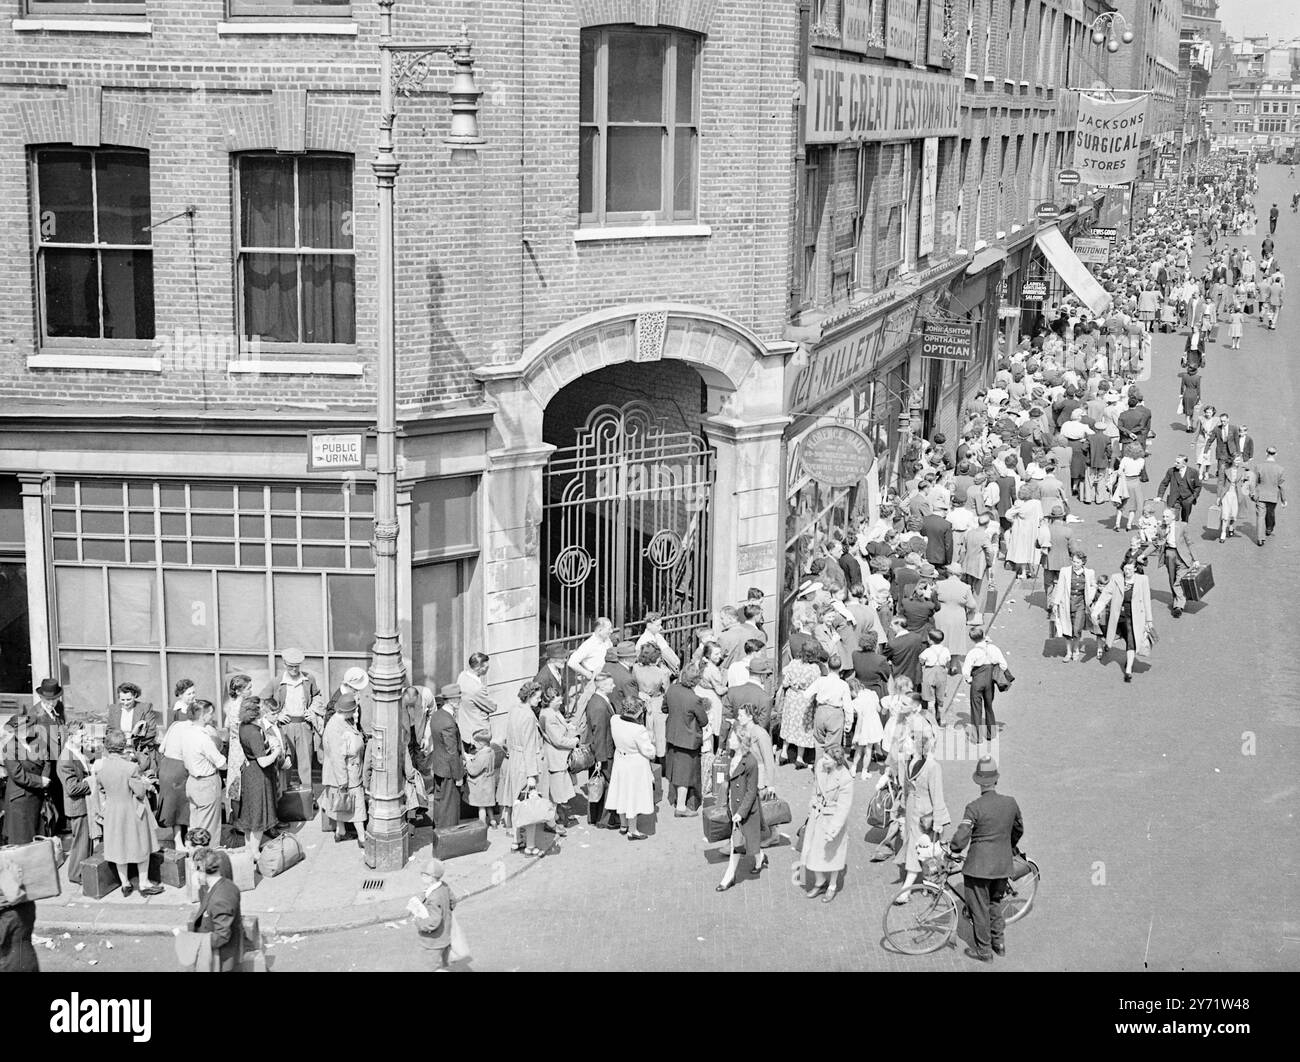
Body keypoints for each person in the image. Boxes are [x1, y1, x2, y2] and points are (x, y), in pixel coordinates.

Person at [946, 755, 1024, 962]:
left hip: (978, 868)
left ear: (978, 782)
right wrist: (1008, 847)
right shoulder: (1010, 803)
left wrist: (953, 850)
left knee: (979, 909)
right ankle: (999, 943)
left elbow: (962, 835)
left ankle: (984, 950)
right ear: (996, 780)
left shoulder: (974, 807)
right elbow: (1018, 829)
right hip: (1002, 865)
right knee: (995, 903)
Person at [95, 728, 162, 897]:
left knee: (119, 847)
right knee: (141, 846)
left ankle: (125, 884)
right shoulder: (131, 767)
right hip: (131, 811)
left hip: (112, 811)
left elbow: (101, 788)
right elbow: (139, 792)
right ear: (123, 746)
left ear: (107, 746)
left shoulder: (101, 767)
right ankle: (144, 882)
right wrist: (144, 784)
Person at [891, 718, 951, 905]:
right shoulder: (909, 761)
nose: (905, 743)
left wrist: (939, 821)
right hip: (911, 810)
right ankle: (932, 881)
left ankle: (906, 890)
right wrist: (901, 809)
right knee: (926, 850)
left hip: (925, 815)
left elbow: (938, 795)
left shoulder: (933, 766)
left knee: (917, 849)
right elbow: (906, 787)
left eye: (909, 740)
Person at [799, 743, 854, 903]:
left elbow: (844, 807)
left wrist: (833, 830)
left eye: (827, 758)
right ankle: (820, 881)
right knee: (812, 851)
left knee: (833, 854)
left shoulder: (845, 778)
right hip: (818, 815)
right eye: (823, 756)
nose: (823, 760)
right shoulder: (820, 767)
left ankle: (832, 885)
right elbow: (816, 787)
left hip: (832, 819)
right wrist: (812, 803)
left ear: (837, 761)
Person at [715, 724, 766, 891]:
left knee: (736, 843)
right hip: (733, 805)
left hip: (745, 810)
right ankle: (760, 858)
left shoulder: (750, 762)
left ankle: (729, 876)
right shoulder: (732, 756)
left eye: (732, 737)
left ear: (741, 741)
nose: (729, 740)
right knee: (749, 842)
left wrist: (741, 813)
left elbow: (751, 792)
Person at [1091, 558, 1154, 683]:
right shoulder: (1116, 578)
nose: (1127, 571)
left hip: (1134, 617)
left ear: (1135, 569)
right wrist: (1096, 611)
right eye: (1125, 568)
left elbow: (1147, 600)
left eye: (1130, 569)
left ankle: (1128, 669)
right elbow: (1106, 595)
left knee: (1131, 641)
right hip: (1119, 616)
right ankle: (1108, 643)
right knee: (1111, 634)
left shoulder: (1143, 580)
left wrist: (1149, 620)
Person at [503, 681, 547, 854]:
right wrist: (531, 774)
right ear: (529, 696)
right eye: (537, 697)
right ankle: (530, 845)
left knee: (517, 802)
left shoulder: (514, 709)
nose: (539, 700)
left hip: (514, 759)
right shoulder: (529, 716)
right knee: (530, 804)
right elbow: (529, 746)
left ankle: (516, 840)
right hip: (525, 763)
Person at [606, 697, 656, 842]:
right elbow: (649, 752)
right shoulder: (639, 729)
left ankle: (623, 825)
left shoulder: (614, 719)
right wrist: (651, 738)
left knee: (621, 791)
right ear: (638, 710)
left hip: (620, 759)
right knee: (633, 795)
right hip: (635, 764)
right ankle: (632, 830)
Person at [233, 698, 281, 852]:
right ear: (255, 711)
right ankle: (254, 852)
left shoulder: (244, 726)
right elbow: (263, 762)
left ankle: (249, 849)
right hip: (259, 776)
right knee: (259, 816)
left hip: (249, 772)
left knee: (250, 815)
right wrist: (276, 751)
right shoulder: (254, 732)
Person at [275, 648, 323, 794]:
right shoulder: (278, 681)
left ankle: (308, 797)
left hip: (304, 725)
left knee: (306, 763)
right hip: (286, 726)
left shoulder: (309, 679)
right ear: (284, 664)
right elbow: (264, 702)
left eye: (297, 666)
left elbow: (317, 696)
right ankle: (284, 797)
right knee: (286, 763)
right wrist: (277, 716)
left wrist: (313, 711)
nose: (294, 669)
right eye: (290, 666)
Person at [187, 847, 243, 972]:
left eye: (195, 870)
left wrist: (197, 942)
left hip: (220, 960)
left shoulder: (219, 900)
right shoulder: (228, 885)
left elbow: (222, 935)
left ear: (201, 870)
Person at [177, 699, 226, 841]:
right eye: (210, 714)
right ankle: (208, 857)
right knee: (209, 826)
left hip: (192, 781)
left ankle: (193, 855)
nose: (212, 717)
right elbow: (221, 762)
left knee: (195, 824)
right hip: (207, 783)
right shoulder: (204, 738)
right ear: (203, 716)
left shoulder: (186, 733)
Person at [664, 664, 709, 815]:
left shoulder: (672, 689)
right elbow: (704, 721)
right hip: (688, 740)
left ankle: (674, 798)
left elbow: (664, 708)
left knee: (675, 770)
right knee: (684, 774)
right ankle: (681, 807)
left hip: (672, 735)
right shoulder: (694, 699)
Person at [55, 719, 95, 885]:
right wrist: (92, 781)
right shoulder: (66, 759)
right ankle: (75, 874)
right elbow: (72, 788)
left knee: (86, 841)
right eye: (81, 735)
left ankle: (82, 871)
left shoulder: (78, 751)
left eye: (85, 733)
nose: (85, 737)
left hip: (84, 805)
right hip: (77, 806)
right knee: (80, 842)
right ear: (70, 737)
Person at [1, 721, 49, 846]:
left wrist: (44, 778)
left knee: (38, 838)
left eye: (26, 728)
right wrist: (40, 781)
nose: (24, 731)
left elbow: (47, 761)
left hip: (37, 795)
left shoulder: (37, 742)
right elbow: (17, 774)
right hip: (20, 799)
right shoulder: (8, 748)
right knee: (23, 841)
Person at [426, 686, 465, 829]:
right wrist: (458, 775)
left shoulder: (437, 715)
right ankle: (447, 834)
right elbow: (452, 752)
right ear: (453, 701)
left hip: (438, 766)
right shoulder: (449, 722)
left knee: (440, 801)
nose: (460, 701)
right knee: (450, 806)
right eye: (459, 698)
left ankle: (437, 828)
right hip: (449, 770)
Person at [962, 627, 1009, 744]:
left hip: (977, 680)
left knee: (976, 708)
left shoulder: (972, 653)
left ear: (972, 639)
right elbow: (1003, 665)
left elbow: (966, 671)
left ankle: (976, 737)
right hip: (989, 681)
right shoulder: (993, 648)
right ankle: (991, 734)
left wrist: (969, 680)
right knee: (989, 706)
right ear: (983, 635)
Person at [778, 644, 822, 769]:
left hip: (792, 696)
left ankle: (784, 752)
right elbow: (816, 686)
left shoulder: (794, 663)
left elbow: (786, 682)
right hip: (805, 698)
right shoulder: (815, 669)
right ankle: (799, 757)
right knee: (803, 726)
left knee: (789, 722)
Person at [539, 691, 578, 830]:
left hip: (558, 757)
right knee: (556, 793)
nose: (561, 703)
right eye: (558, 701)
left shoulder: (551, 712)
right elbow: (558, 740)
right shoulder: (548, 716)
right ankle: (552, 822)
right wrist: (575, 740)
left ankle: (556, 818)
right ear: (548, 701)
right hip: (555, 757)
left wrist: (568, 727)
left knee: (558, 791)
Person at [582, 672, 617, 829]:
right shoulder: (599, 706)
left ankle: (595, 817)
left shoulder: (599, 701)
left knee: (597, 784)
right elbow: (599, 733)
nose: (613, 686)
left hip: (601, 750)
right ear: (602, 686)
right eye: (610, 684)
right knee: (604, 785)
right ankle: (604, 819)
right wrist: (600, 758)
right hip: (603, 752)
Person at [1051, 551, 1099, 663]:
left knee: (1077, 628)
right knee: (1067, 629)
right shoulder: (1065, 571)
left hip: (1080, 604)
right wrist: (1055, 603)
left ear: (1083, 562)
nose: (1075, 564)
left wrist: (1090, 597)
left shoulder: (1089, 573)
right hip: (1067, 603)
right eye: (1073, 561)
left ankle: (1076, 649)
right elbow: (1060, 587)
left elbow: (1093, 585)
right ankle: (1068, 652)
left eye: (1078, 562)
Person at [411, 858, 457, 972]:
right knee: (444, 964)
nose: (421, 877)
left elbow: (433, 922)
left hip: (434, 941)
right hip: (445, 936)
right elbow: (453, 901)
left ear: (430, 877)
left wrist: (418, 921)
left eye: (423, 875)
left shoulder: (434, 898)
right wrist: (445, 912)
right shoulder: (444, 886)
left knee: (430, 967)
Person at [1157, 507, 1199, 618]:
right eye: (1163, 516)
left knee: (1178, 582)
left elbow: (1190, 543)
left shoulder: (1182, 526)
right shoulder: (1161, 528)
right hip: (1169, 555)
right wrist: (1143, 555)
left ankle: (1178, 606)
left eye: (1167, 516)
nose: (1164, 518)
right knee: (1172, 580)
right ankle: (1177, 601)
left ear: (1173, 517)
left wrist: (1196, 559)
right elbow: (1155, 544)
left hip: (1182, 557)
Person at [1249, 445, 1287, 545]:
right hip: (1273, 496)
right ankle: (1269, 528)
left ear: (1266, 453)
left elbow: (1253, 481)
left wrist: (1252, 493)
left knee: (1260, 516)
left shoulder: (1259, 466)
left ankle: (1260, 539)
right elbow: (1281, 486)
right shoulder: (1280, 469)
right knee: (1270, 513)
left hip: (1261, 495)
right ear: (1276, 454)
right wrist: (1284, 499)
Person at [1157, 453, 1201, 524]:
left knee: (1185, 520)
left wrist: (1192, 497)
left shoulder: (1193, 472)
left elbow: (1198, 486)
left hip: (1187, 499)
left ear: (1184, 464)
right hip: (1174, 499)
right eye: (1175, 462)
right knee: (1173, 519)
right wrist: (1159, 496)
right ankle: (1173, 534)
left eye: (1178, 463)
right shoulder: (1171, 471)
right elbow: (1164, 483)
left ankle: (1181, 534)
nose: (1175, 464)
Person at [1113, 443, 1147, 533]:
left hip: (1125, 482)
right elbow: (1140, 470)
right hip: (1135, 482)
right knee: (1133, 505)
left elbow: (1120, 472)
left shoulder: (1125, 459)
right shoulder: (1141, 461)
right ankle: (1129, 524)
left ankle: (1117, 523)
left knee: (1121, 504)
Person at [1218, 455, 1246, 541]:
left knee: (1234, 514)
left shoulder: (1242, 469)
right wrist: (1219, 496)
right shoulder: (1224, 468)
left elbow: (1244, 482)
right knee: (1225, 514)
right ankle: (1223, 532)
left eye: (1239, 460)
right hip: (1227, 493)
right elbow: (1220, 481)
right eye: (1237, 460)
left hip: (1236, 494)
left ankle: (1231, 526)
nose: (1239, 462)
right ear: (1232, 460)